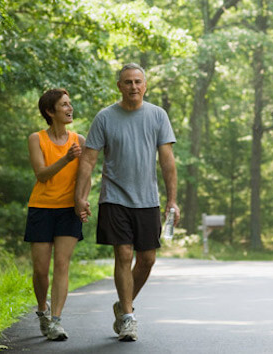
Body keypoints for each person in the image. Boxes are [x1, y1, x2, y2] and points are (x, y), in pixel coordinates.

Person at [75, 63, 179, 342]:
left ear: (145, 86)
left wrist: (172, 201)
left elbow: (167, 161)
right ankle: (129, 319)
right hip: (115, 197)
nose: (133, 86)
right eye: (127, 82)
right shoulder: (105, 118)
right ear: (119, 86)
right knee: (123, 254)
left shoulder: (158, 115)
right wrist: (80, 196)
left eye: (138, 82)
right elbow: (88, 159)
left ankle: (123, 305)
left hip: (147, 200)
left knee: (148, 259)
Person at [25, 88, 84, 341]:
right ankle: (43, 310)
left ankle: (57, 321)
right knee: (40, 269)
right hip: (41, 208)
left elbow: (86, 175)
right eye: (63, 105)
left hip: (68, 211)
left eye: (70, 104)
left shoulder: (79, 140)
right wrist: (66, 159)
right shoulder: (36, 139)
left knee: (61, 264)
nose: (69, 108)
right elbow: (42, 174)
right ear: (50, 111)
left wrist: (82, 200)